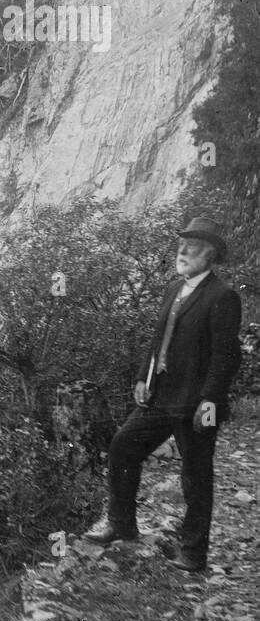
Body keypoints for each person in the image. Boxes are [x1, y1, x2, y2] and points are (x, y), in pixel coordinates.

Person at [82, 217, 243, 572]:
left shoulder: (223, 296)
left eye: (193, 246)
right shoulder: (174, 289)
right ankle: (121, 524)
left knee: (195, 476)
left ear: (210, 254)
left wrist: (210, 401)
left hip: (197, 403)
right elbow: (159, 341)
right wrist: (143, 377)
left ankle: (193, 552)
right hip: (161, 396)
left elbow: (226, 357)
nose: (183, 251)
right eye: (182, 244)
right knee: (123, 446)